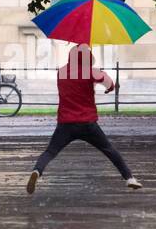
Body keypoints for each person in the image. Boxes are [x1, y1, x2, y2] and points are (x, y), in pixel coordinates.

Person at [27, 43, 142, 193]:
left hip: (66, 123)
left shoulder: (61, 72)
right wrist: (105, 83)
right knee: (109, 150)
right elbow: (110, 84)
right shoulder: (91, 72)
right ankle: (129, 178)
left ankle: (37, 171)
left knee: (50, 152)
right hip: (87, 123)